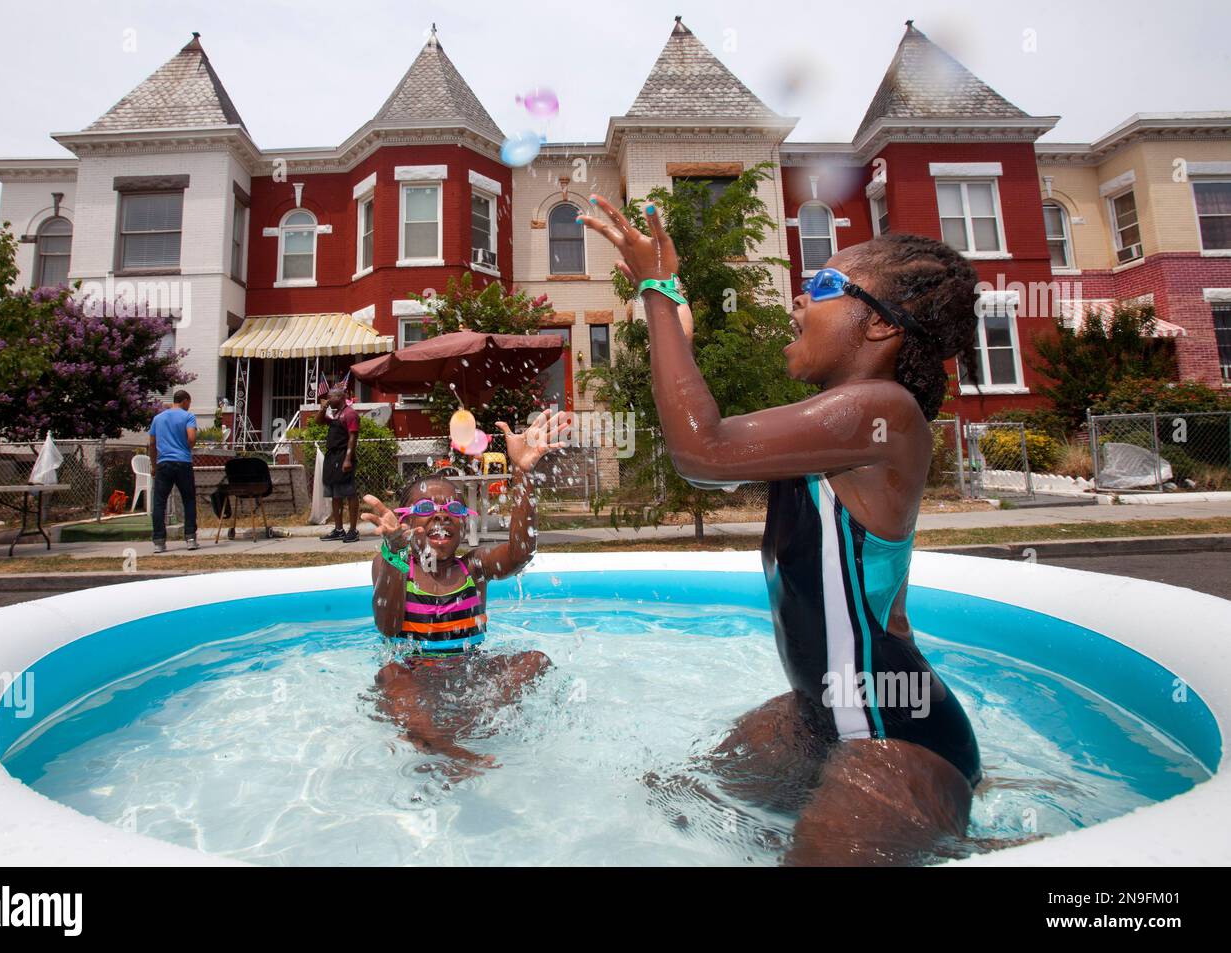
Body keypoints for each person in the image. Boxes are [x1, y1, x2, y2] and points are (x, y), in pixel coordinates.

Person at [579, 195, 983, 865]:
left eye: (825, 285)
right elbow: (713, 435)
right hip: (815, 713)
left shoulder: (884, 413)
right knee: (673, 801)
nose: (800, 296)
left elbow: (702, 451)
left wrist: (654, 291)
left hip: (894, 736)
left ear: (881, 329)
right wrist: (672, 317)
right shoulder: (834, 420)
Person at [360, 410, 566, 778]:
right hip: (415, 672)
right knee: (390, 674)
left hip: (469, 672)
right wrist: (392, 551)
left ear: (464, 523)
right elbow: (389, 626)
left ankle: (455, 730)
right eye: (425, 509)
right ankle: (452, 749)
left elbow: (521, 552)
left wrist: (522, 473)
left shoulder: (473, 568)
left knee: (534, 659)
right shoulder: (393, 565)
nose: (441, 516)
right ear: (405, 521)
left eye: (452, 509)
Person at [147, 389, 199, 553]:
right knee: (188, 500)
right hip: (183, 462)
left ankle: (159, 541)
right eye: (189, 403)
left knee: (159, 503)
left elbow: (152, 444)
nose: (189, 406)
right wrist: (186, 448)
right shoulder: (188, 416)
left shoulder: (158, 418)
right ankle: (190, 538)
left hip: (164, 463)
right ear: (185, 401)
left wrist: (154, 465)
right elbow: (191, 438)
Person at [316, 386, 361, 543]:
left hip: (343, 456)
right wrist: (323, 408)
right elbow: (319, 421)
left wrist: (348, 459)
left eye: (330, 397)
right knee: (335, 495)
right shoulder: (335, 414)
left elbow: (352, 438)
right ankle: (339, 529)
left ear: (340, 397)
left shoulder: (350, 414)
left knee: (349, 493)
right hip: (331, 457)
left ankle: (353, 530)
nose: (328, 400)